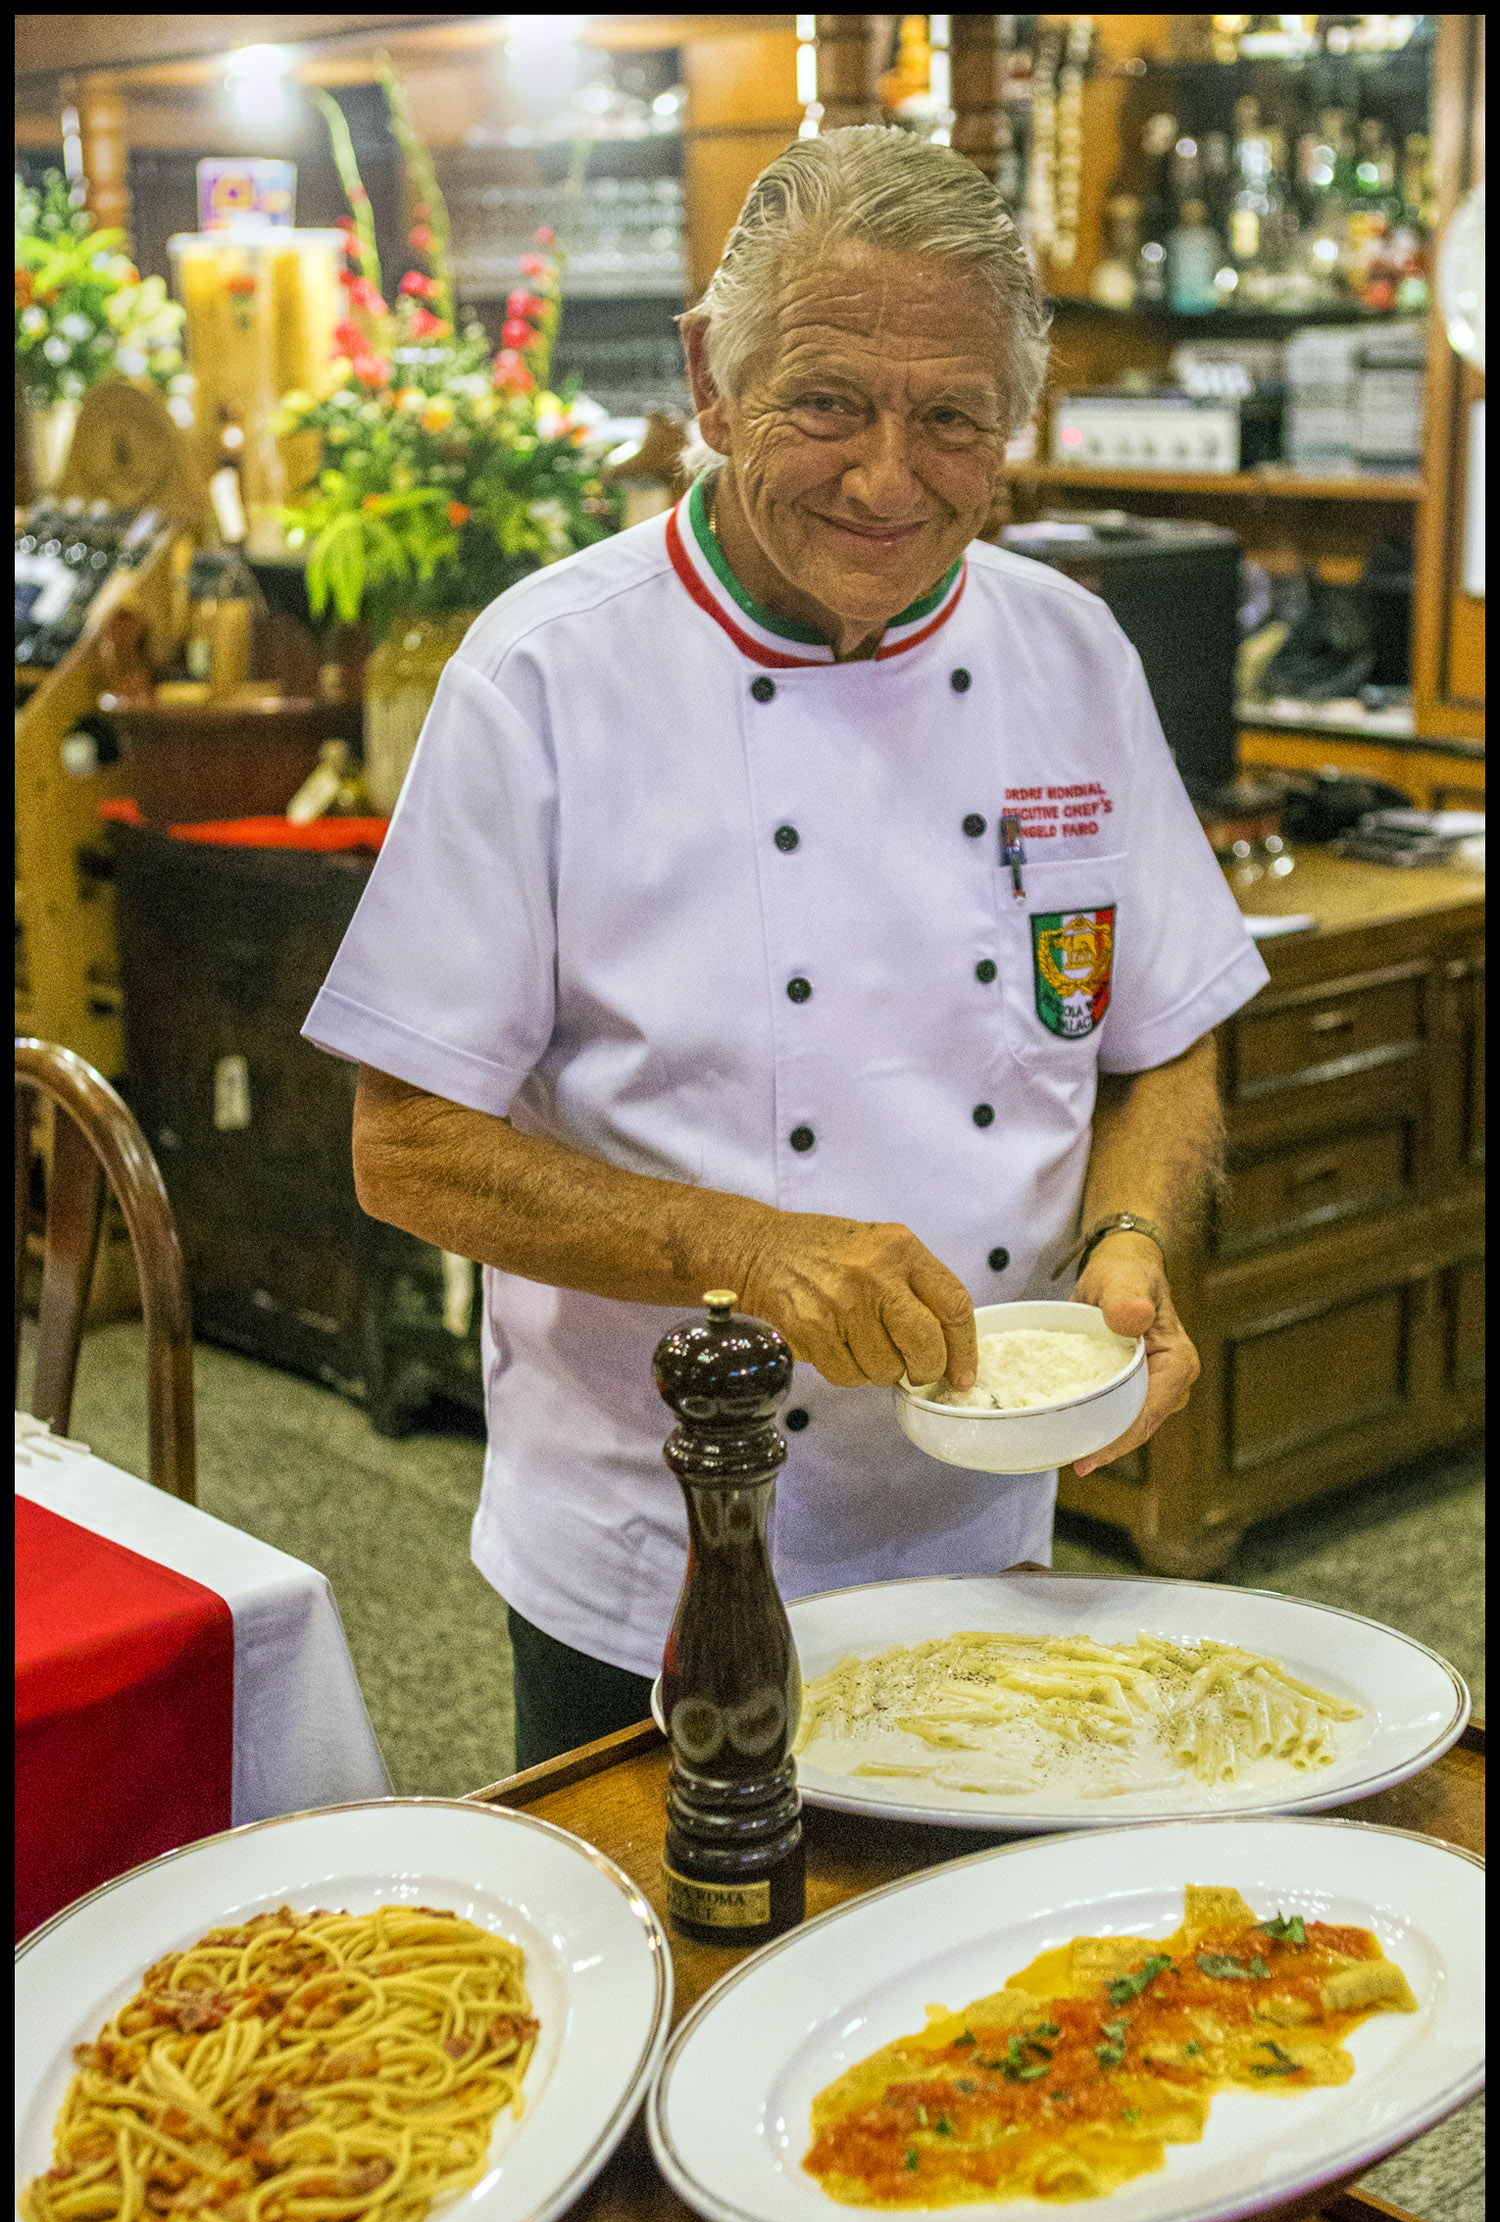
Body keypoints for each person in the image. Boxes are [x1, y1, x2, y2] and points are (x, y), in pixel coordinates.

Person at [303, 128, 1268, 1769]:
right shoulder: (543, 677)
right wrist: (748, 1245)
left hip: (988, 1525)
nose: (890, 480)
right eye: (827, 401)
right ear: (713, 378)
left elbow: (1166, 1038)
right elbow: (406, 1147)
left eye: (953, 418)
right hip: (659, 1553)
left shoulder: (1071, 652)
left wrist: (1129, 1242)